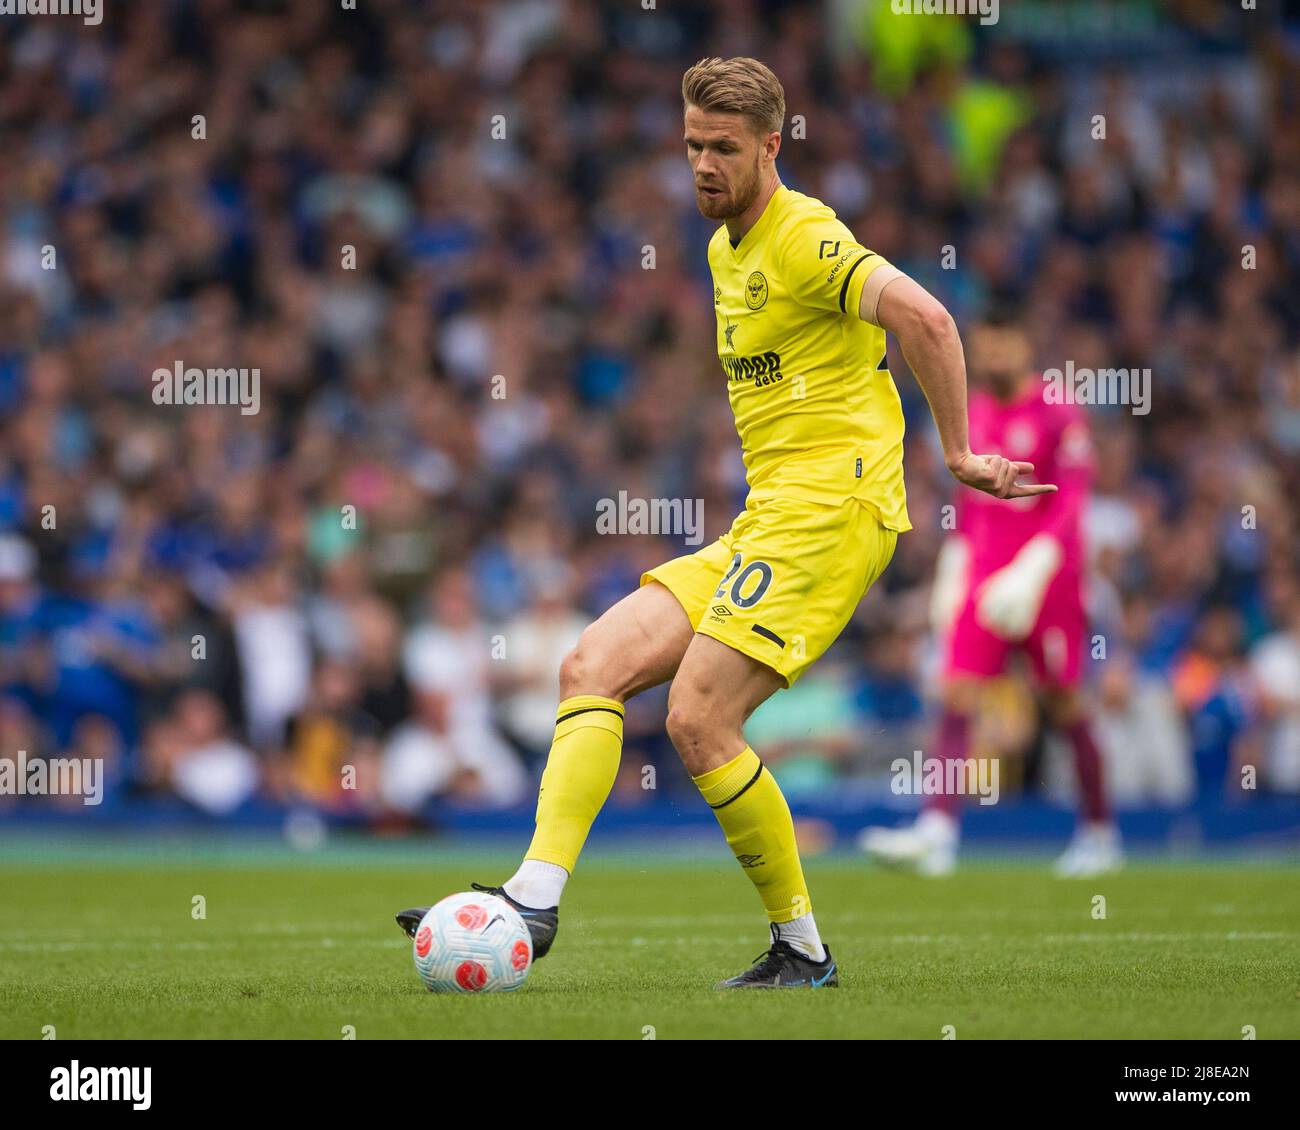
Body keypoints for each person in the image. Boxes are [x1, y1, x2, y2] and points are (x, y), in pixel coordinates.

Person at [396, 57, 1053, 989]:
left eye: (724, 149)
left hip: (834, 511)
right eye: (694, 145)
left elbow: (930, 320)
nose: (703, 164)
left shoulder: (802, 236)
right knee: (592, 663)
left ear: (771, 147)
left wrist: (958, 452)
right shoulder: (722, 249)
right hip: (770, 517)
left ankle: (802, 949)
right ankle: (533, 900)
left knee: (700, 718)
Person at [860, 308, 1121, 877]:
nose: (994, 355)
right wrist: (954, 569)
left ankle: (1100, 831)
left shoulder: (1057, 410)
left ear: (1025, 342)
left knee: (1064, 703)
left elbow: (1073, 502)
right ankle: (938, 830)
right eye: (986, 345)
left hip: (1048, 583)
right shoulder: (973, 411)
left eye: (1003, 342)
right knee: (956, 695)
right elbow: (968, 502)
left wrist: (1035, 567)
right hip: (984, 577)